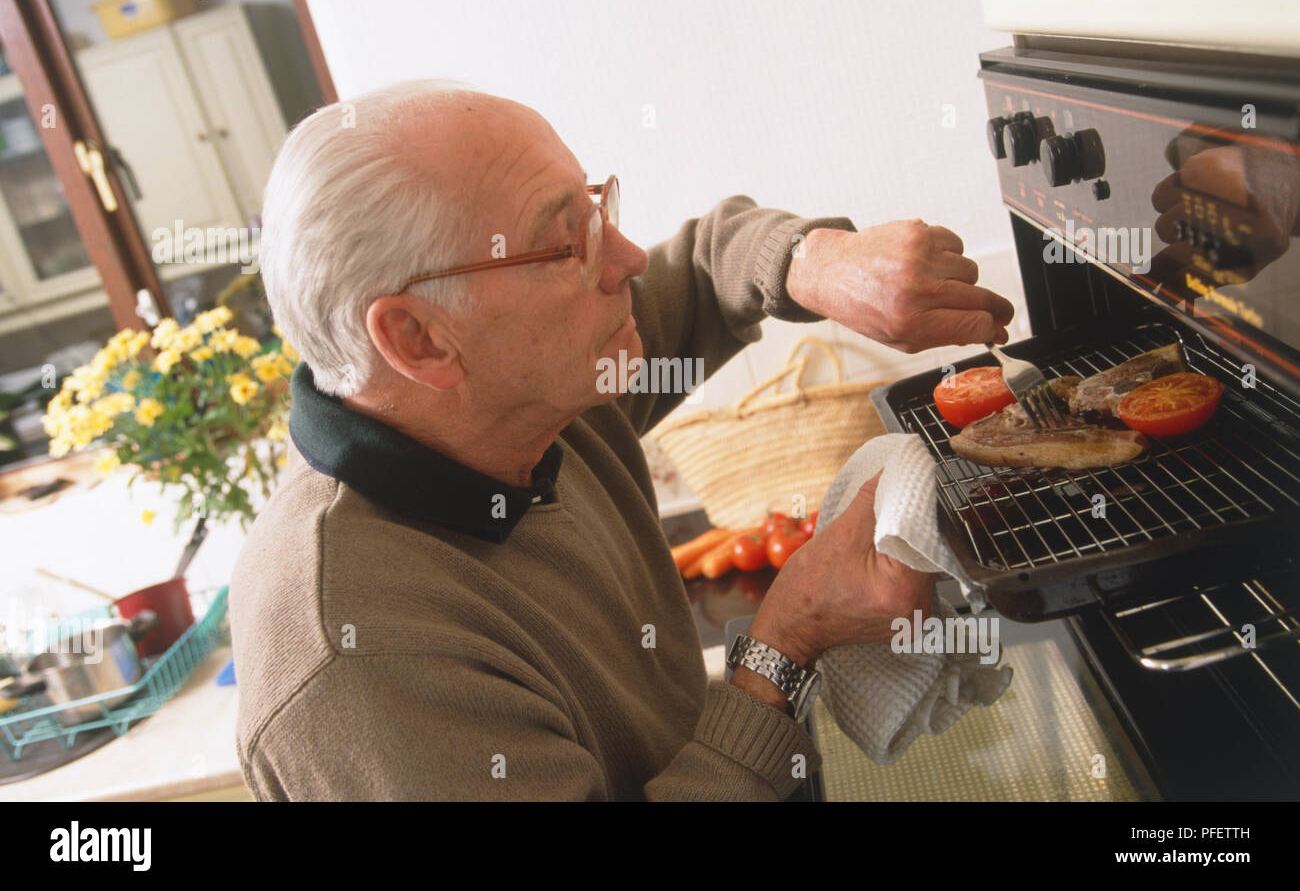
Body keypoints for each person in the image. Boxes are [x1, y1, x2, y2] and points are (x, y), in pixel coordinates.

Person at [230, 79, 1015, 800]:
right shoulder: (354, 660)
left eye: (595, 207)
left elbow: (710, 262)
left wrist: (823, 261)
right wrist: (786, 643)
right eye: (566, 242)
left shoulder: (533, 382)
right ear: (419, 338)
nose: (628, 259)